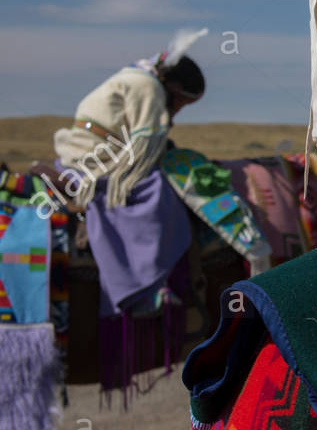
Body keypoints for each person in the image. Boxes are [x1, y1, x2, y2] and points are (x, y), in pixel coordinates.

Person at [52, 32, 206, 317]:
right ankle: (142, 287)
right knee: (155, 190)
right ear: (173, 88)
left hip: (80, 152)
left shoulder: (133, 75)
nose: (177, 113)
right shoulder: (149, 87)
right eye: (182, 103)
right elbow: (145, 144)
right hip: (98, 161)